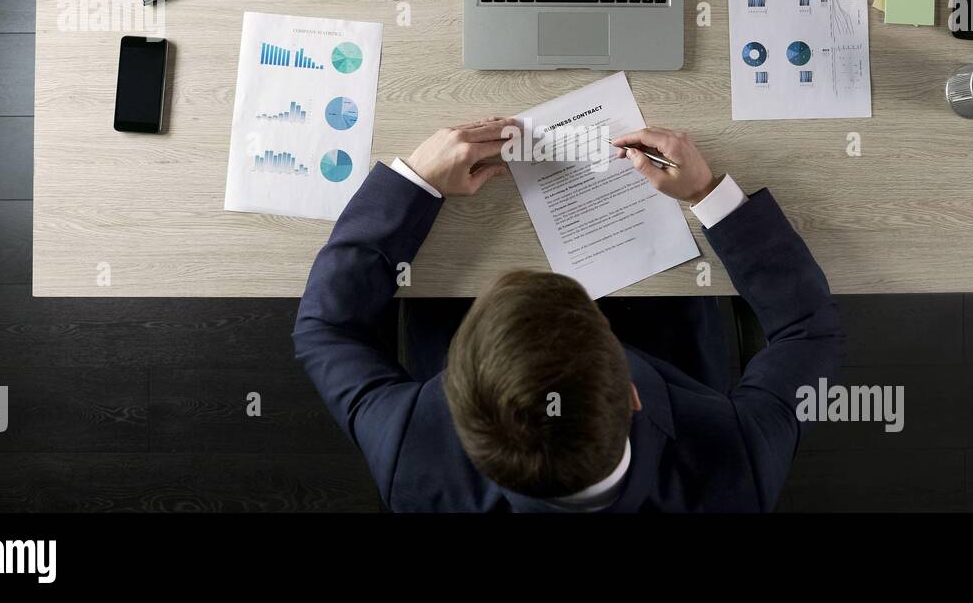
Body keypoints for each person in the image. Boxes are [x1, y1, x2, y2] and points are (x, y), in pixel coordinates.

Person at [293, 117, 845, 512]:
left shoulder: (410, 460)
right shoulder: (734, 469)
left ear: (456, 406)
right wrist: (707, 193)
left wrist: (413, 182)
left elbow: (327, 329)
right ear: (631, 395)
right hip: (671, 339)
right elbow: (809, 329)